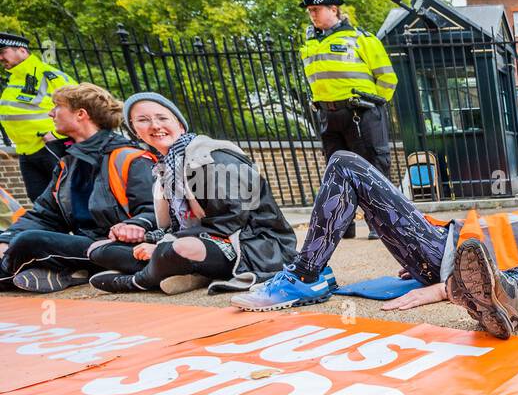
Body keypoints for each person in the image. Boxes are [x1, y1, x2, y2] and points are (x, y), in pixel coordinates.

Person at [230, 150, 518, 312]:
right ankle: (312, 272)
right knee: (350, 172)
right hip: (439, 245)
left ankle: (304, 276)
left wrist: (444, 288)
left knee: (347, 166)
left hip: (444, 257)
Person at [87, 93, 297, 294]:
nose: (155, 125)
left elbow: (231, 221)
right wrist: (149, 236)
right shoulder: (165, 169)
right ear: (134, 129)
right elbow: (180, 224)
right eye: (143, 120)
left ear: (179, 123)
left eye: (162, 117)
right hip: (202, 240)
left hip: (252, 243)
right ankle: (185, 270)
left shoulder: (213, 158)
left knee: (176, 248)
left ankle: (141, 280)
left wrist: (164, 243)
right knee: (99, 249)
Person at [0, 84, 154, 293]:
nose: (50, 113)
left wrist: (134, 224)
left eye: (57, 106)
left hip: (120, 248)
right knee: (16, 240)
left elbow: (154, 211)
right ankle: (69, 273)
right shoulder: (68, 164)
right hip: (85, 244)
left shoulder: (129, 157)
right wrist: (5, 240)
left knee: (29, 242)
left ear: (81, 114)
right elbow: (45, 216)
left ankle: (58, 271)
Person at [299, 0, 398, 238]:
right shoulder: (310, 43)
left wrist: (375, 104)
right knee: (337, 173)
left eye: (317, 9)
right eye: (310, 10)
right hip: (328, 116)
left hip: (360, 113)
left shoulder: (361, 39)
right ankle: (344, 226)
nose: (313, 14)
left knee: (372, 170)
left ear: (334, 9)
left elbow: (387, 78)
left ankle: (381, 225)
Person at [0, 30, 76, 202]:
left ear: (22, 50)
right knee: (41, 203)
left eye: (2, 52)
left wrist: (57, 135)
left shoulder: (48, 75)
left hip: (51, 147)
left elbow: (82, 106)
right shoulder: (14, 80)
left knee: (66, 198)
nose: (0, 58)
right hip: (26, 151)